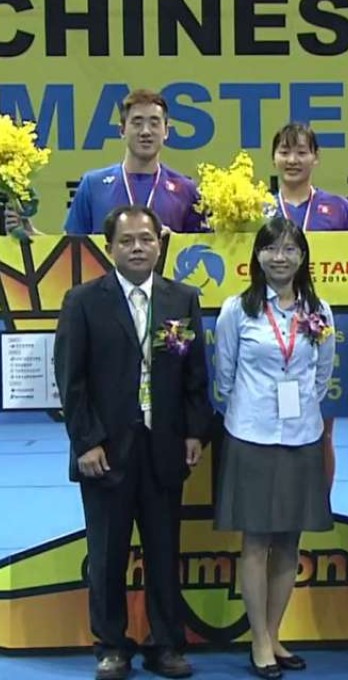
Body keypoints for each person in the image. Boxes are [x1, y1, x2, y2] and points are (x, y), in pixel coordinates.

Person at [54, 204, 212, 680]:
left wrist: (194, 431)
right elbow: (71, 379)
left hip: (163, 449)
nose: (138, 247)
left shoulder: (181, 299)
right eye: (127, 241)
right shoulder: (83, 301)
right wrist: (87, 442)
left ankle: (166, 644)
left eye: (146, 239)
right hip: (105, 452)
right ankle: (111, 645)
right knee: (107, 555)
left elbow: (194, 376)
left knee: (165, 551)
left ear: (160, 244)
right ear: (109, 248)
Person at [214, 217, 335, 679]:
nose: (279, 257)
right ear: (257, 256)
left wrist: (300, 405)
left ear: (303, 257)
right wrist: (255, 404)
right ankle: (258, 640)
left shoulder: (317, 309)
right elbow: (224, 374)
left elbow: (322, 373)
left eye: (289, 249)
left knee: (289, 541)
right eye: (270, 249)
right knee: (256, 541)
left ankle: (275, 632)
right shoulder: (237, 310)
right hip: (251, 435)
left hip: (301, 436)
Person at [271, 122, 348, 490]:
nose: (293, 160)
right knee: (268, 426)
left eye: (302, 152)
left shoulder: (338, 209)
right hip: (269, 329)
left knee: (322, 427)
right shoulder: (255, 209)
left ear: (316, 157)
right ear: (274, 158)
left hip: (319, 329)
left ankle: (319, 505)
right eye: (285, 152)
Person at [4, 89, 208, 236]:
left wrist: (175, 244)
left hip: (166, 293)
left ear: (166, 132)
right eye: (137, 123)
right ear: (122, 130)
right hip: (103, 294)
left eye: (154, 123)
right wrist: (31, 234)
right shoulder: (92, 185)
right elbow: (72, 252)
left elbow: (202, 252)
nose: (146, 131)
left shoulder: (186, 190)